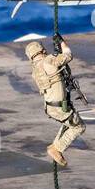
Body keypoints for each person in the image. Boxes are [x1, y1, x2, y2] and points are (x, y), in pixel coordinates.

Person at [25, 38, 85, 167]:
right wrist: (62, 43)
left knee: (68, 123)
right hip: (59, 107)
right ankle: (56, 149)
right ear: (42, 50)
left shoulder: (35, 71)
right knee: (79, 126)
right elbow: (68, 55)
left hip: (51, 108)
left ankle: (55, 147)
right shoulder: (49, 60)